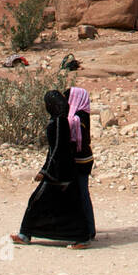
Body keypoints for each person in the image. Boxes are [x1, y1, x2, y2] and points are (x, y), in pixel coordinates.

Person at [11, 90, 90, 247]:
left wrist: (45, 170)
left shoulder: (60, 122)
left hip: (59, 172)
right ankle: (80, 237)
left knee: (36, 201)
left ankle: (25, 234)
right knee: (70, 204)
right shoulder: (61, 120)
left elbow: (57, 149)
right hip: (63, 170)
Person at [65, 85, 96, 243]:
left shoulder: (78, 117)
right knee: (82, 194)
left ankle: (88, 230)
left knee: (82, 194)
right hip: (85, 159)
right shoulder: (83, 114)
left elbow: (78, 140)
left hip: (80, 160)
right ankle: (87, 228)